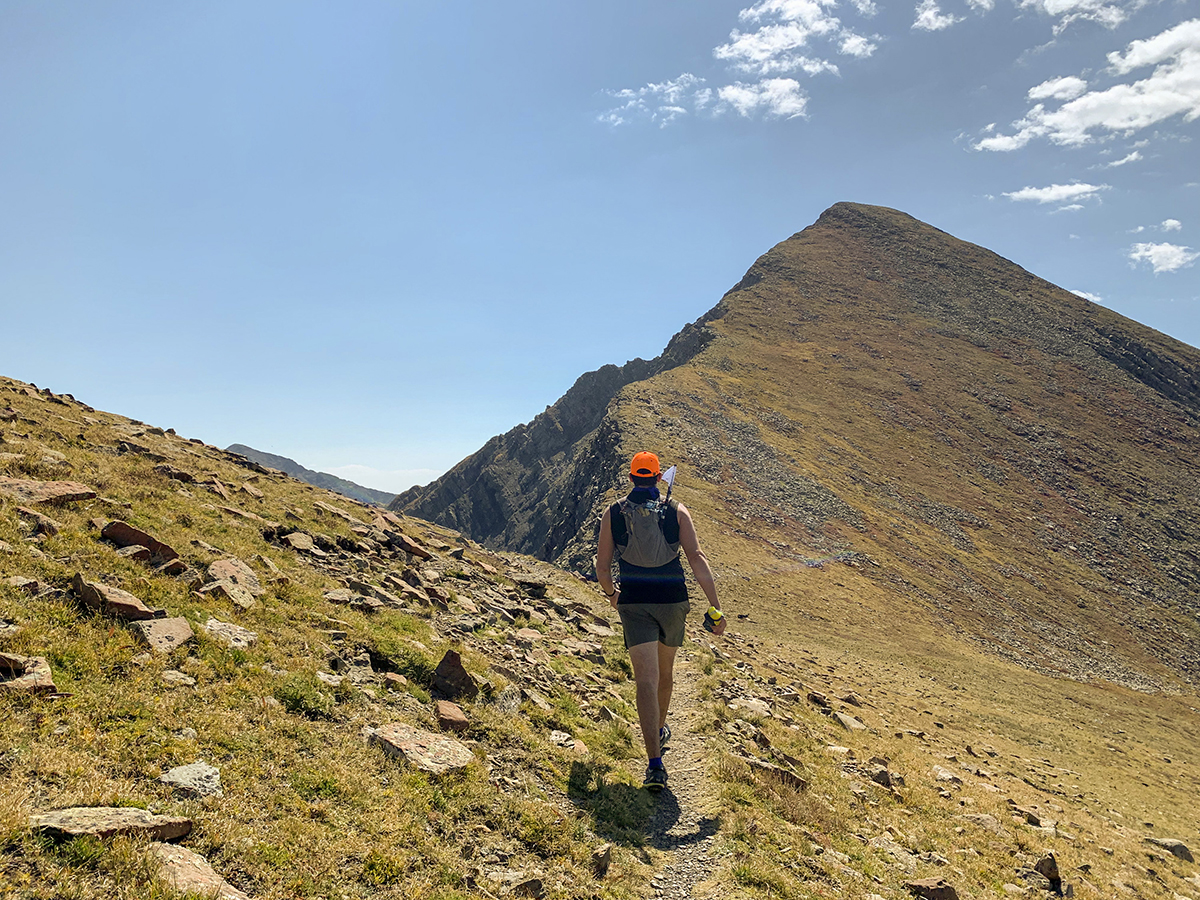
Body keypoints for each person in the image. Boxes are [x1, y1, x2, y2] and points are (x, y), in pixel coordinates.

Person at [595, 451, 725, 793]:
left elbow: (602, 566)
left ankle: (654, 763)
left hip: (634, 602)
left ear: (630, 477)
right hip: (672, 601)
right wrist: (715, 607)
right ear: (657, 477)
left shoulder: (612, 513)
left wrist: (612, 595)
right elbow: (696, 557)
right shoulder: (676, 510)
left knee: (645, 681)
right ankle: (661, 728)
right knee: (665, 675)